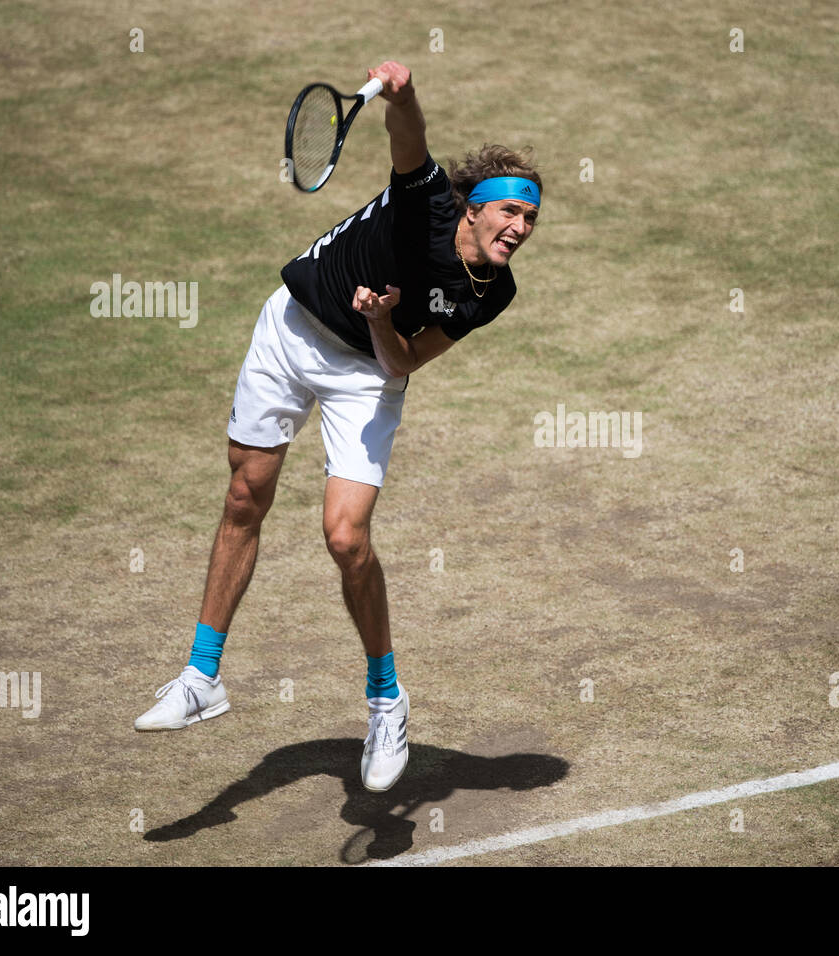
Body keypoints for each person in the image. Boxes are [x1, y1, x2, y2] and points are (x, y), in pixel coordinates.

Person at [134, 60, 542, 795]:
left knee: (345, 536)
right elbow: (408, 135)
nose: (519, 228)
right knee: (244, 494)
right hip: (290, 330)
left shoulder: (493, 291)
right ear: (474, 208)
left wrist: (384, 319)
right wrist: (404, 91)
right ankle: (201, 677)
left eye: (531, 219)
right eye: (509, 212)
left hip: (366, 372)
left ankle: (387, 700)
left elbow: (405, 362)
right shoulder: (425, 203)